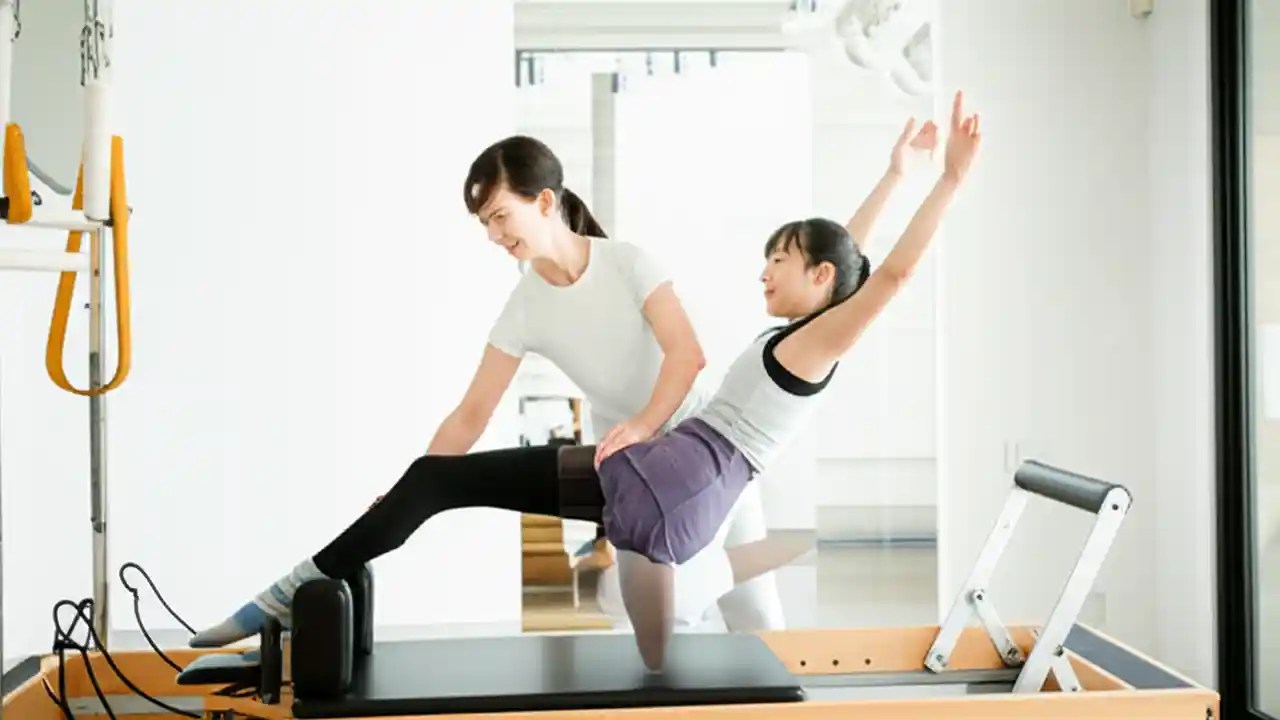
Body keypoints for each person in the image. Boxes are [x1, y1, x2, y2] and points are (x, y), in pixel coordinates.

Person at [188, 98, 964, 654]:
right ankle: (288, 593)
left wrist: (944, 181)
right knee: (448, 490)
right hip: (641, 465)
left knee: (746, 617)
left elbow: (850, 285)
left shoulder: (633, 266)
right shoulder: (528, 306)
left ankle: (759, 684)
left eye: (501, 218)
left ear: (545, 202)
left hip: (692, 463)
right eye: (485, 224)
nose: (495, 236)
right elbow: (470, 414)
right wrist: (895, 175)